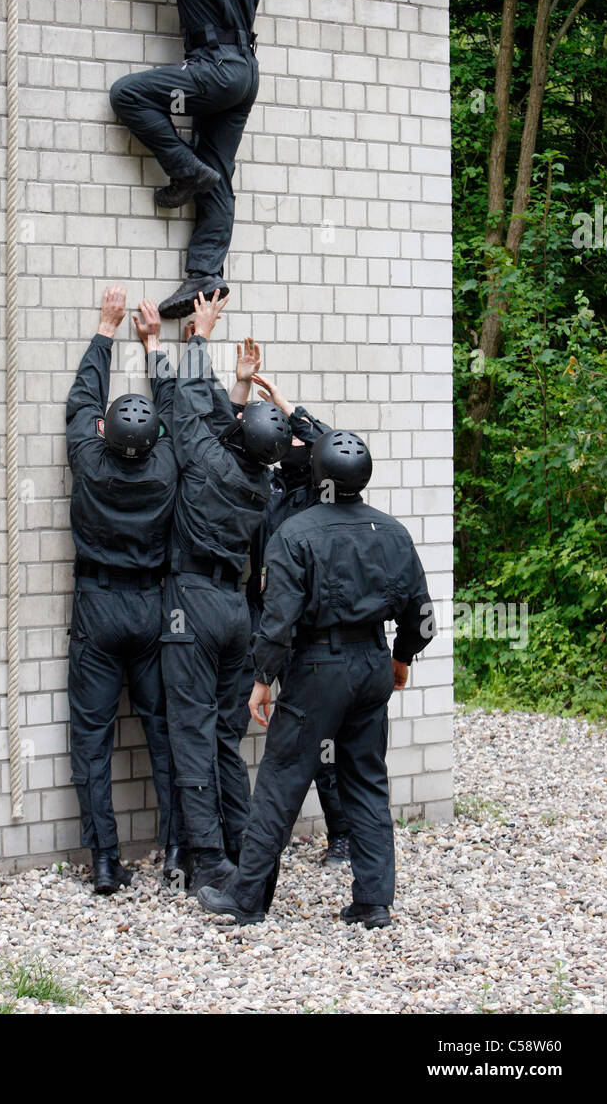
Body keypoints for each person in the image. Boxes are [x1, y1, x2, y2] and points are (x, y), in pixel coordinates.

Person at [197, 429, 436, 927]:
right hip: (372, 663)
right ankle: (373, 901)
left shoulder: (296, 533)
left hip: (317, 670)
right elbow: (421, 614)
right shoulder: (393, 533)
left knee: (281, 780)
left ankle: (246, 897)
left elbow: (279, 620)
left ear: (320, 474)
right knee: (367, 780)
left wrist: (263, 677)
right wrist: (401, 655)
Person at [161, 289, 291, 893]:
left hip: (192, 603)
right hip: (238, 612)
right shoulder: (259, 483)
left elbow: (189, 411)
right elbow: (223, 428)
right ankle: (242, 848)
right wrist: (240, 389)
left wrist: (198, 337)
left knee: (190, 731)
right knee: (222, 737)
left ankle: (209, 861)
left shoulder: (209, 460)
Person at [65, 285, 186, 893]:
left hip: (98, 606)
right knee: (162, 730)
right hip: (151, 607)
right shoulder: (166, 465)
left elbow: (81, 399)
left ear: (103, 432)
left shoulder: (88, 458)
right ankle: (173, 852)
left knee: (92, 738)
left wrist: (104, 330)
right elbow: (172, 413)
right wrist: (154, 345)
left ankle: (106, 861)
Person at [109, 0, 266, 321]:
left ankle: (185, 169)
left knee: (128, 95)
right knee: (219, 170)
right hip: (246, 74)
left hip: (213, 68)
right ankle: (204, 273)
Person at [230, 371, 352, 866]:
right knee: (248, 723)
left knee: (320, 739)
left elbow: (330, 442)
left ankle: (341, 833)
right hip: (263, 618)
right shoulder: (267, 483)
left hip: (309, 629)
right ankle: (252, 840)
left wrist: (285, 402)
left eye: (296, 435)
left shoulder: (320, 490)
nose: (294, 439)